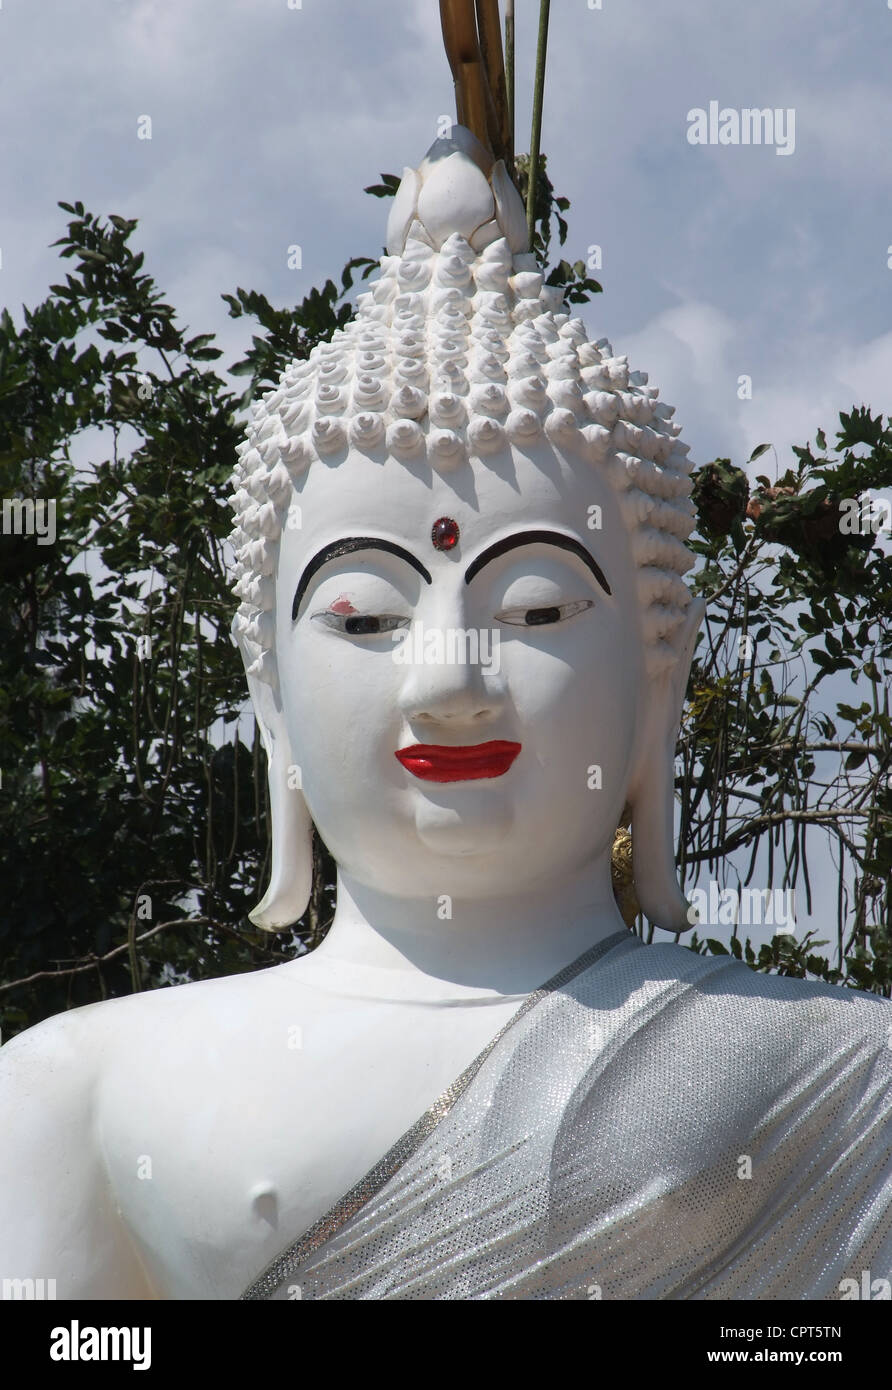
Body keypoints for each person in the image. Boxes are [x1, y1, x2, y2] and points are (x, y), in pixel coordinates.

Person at [1, 130, 889, 1301]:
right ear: (269, 693)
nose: (447, 680)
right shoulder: (83, 1086)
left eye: (535, 607)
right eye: (363, 618)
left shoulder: (842, 1074)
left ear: (655, 674)